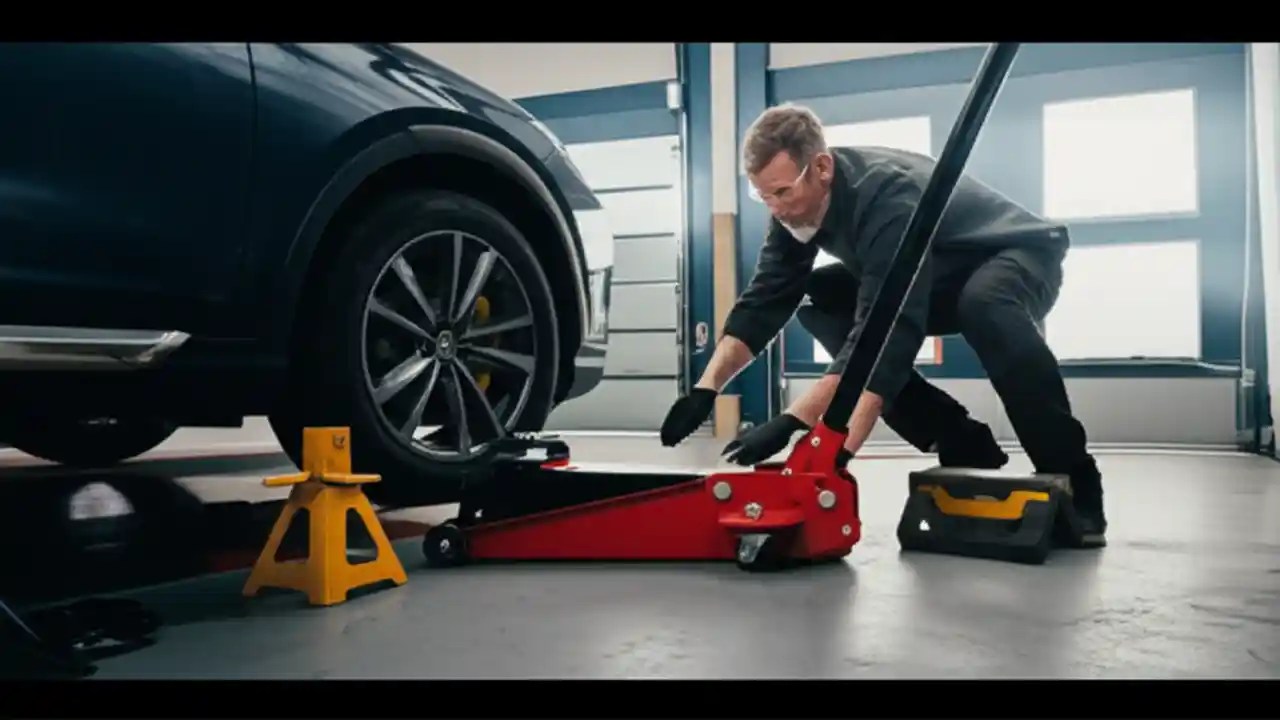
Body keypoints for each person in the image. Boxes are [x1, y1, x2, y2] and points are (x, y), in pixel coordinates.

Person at [659, 103, 1106, 546]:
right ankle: (958, 439)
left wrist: (807, 427)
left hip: (1015, 254)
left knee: (983, 303)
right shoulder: (795, 212)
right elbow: (766, 299)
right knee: (817, 294)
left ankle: (1076, 477)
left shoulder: (887, 197)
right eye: (764, 196)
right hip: (938, 273)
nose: (775, 209)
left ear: (822, 167)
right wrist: (707, 387)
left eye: (782, 192)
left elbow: (888, 330)